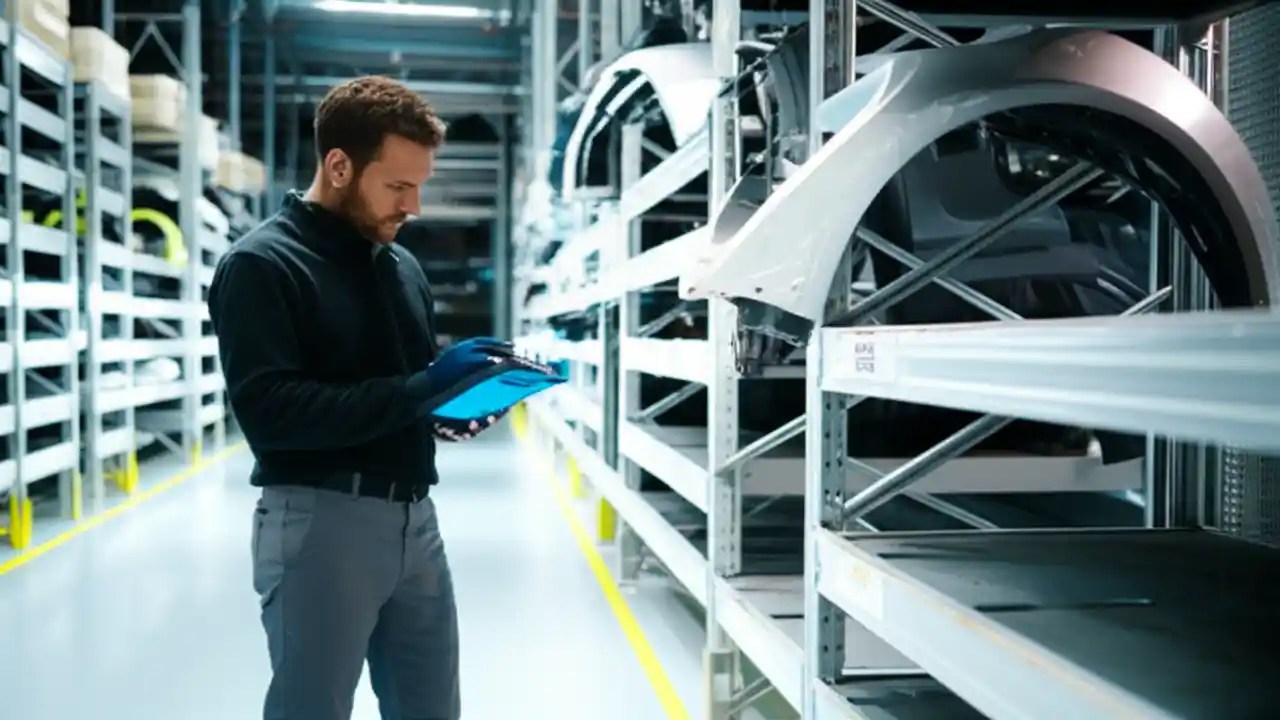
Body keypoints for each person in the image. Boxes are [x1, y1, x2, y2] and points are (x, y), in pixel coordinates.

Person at [207, 76, 506, 720]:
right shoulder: (262, 266)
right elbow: (272, 414)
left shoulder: (401, 267)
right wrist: (418, 391)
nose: (414, 206)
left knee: (432, 710)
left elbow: (409, 391)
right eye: (398, 186)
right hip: (321, 524)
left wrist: (455, 407)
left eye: (419, 186)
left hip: (416, 523)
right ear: (339, 166)